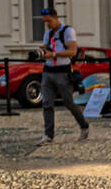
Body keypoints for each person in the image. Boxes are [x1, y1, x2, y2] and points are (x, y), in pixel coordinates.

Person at [37, 8, 88, 145]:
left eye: (49, 21)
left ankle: (84, 126)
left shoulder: (67, 31)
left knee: (69, 102)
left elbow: (72, 51)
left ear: (56, 17)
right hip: (48, 71)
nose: (47, 24)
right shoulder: (48, 33)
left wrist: (53, 54)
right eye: (45, 21)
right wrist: (41, 51)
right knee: (47, 104)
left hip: (63, 72)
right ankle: (48, 135)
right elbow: (45, 47)